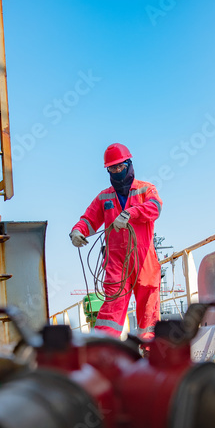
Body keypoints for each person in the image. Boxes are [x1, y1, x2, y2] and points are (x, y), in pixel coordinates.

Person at [70, 143, 162, 340]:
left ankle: (150, 351)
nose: (117, 171)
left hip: (144, 258)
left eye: (120, 166)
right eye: (112, 168)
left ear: (129, 164)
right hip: (116, 261)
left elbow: (155, 209)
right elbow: (89, 219)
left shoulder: (146, 189)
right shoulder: (104, 197)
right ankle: (103, 350)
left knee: (149, 308)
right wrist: (77, 231)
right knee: (112, 307)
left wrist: (131, 213)